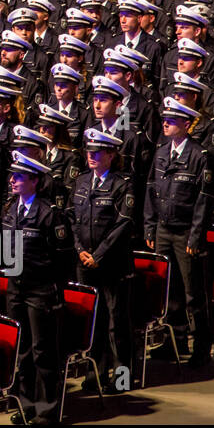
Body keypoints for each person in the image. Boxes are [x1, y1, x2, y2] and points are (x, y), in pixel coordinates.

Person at [2, 152, 73, 424]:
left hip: (40, 290)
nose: (12, 180)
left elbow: (62, 258)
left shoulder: (49, 214)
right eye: (12, 176)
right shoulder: (11, 209)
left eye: (18, 176)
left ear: (34, 180)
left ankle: (46, 409)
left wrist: (51, 286)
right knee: (23, 350)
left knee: (43, 350)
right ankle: (25, 405)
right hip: (15, 288)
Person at [145, 97, 214, 368]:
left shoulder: (199, 156)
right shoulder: (161, 152)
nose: (165, 123)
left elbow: (204, 201)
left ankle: (201, 345)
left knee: (193, 292)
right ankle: (173, 341)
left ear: (187, 124)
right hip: (164, 229)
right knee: (169, 290)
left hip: (186, 232)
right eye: (165, 120)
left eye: (172, 121)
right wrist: (150, 226)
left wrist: (196, 237)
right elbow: (151, 192)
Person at [68, 129, 135, 391]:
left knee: (116, 324)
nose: (91, 156)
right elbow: (73, 220)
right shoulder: (82, 181)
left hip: (112, 263)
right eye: (88, 151)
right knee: (93, 321)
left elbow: (123, 225)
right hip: (85, 262)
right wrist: (79, 249)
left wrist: (98, 255)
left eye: (97, 152)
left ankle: (122, 378)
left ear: (111, 154)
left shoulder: (122, 184)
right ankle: (95, 374)